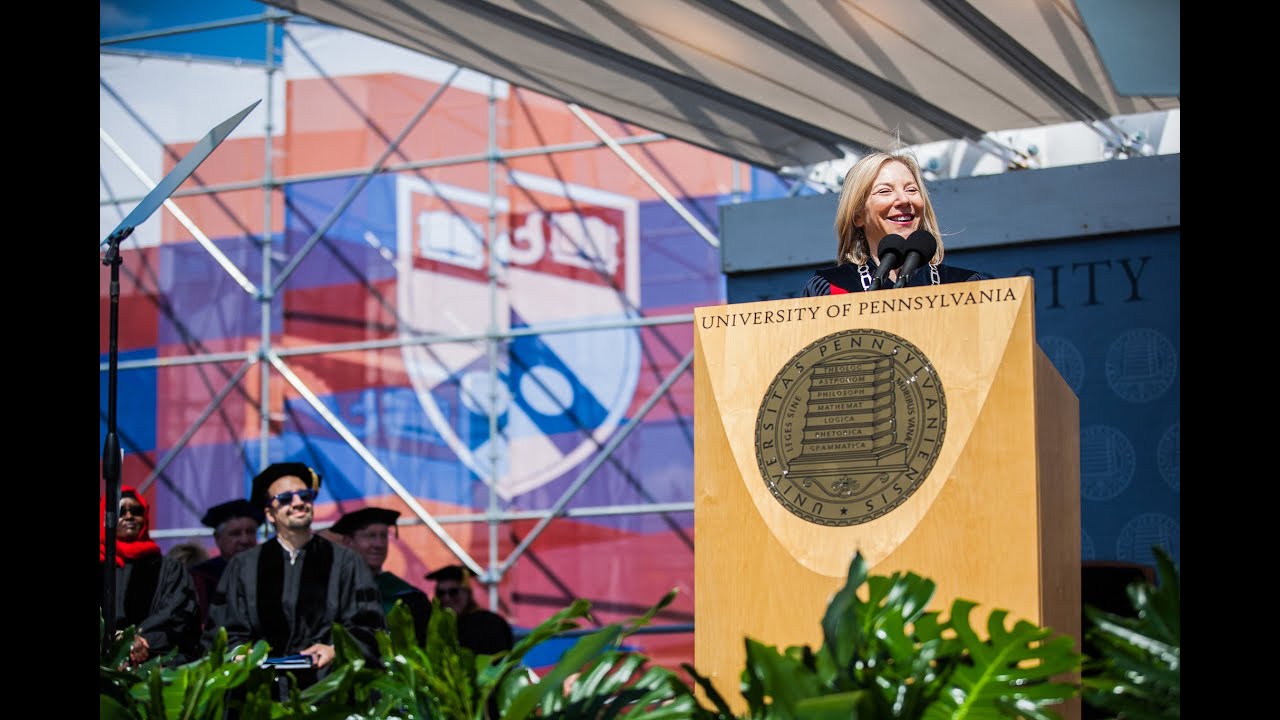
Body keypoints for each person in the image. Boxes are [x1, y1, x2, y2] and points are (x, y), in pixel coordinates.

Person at [203, 462, 385, 686]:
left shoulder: (346, 562)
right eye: (286, 499)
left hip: (326, 689)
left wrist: (336, 649)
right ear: (270, 514)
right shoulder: (244, 566)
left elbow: (370, 625)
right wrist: (241, 653)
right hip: (262, 691)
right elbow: (225, 629)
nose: (298, 503)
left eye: (304, 495)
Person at [801, 150, 983, 296]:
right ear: (858, 216)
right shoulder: (831, 289)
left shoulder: (962, 285)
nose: (904, 200)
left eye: (911, 189)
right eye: (885, 191)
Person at [100, 485, 201, 667]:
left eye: (136, 511)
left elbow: (178, 614)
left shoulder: (169, 568)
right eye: (120, 511)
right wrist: (114, 641)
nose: (129, 516)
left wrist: (138, 640)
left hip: (155, 664)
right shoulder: (102, 564)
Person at [330, 506, 432, 646]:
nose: (379, 544)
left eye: (383, 536)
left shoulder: (410, 598)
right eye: (370, 536)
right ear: (348, 542)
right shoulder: (332, 593)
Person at [188, 498, 264, 627]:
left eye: (250, 532)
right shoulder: (200, 577)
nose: (245, 540)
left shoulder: (268, 570)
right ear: (218, 539)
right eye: (235, 534)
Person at [425, 564, 514, 655]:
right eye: (441, 593)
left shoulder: (490, 624)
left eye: (453, 592)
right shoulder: (435, 628)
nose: (447, 598)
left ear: (467, 593)